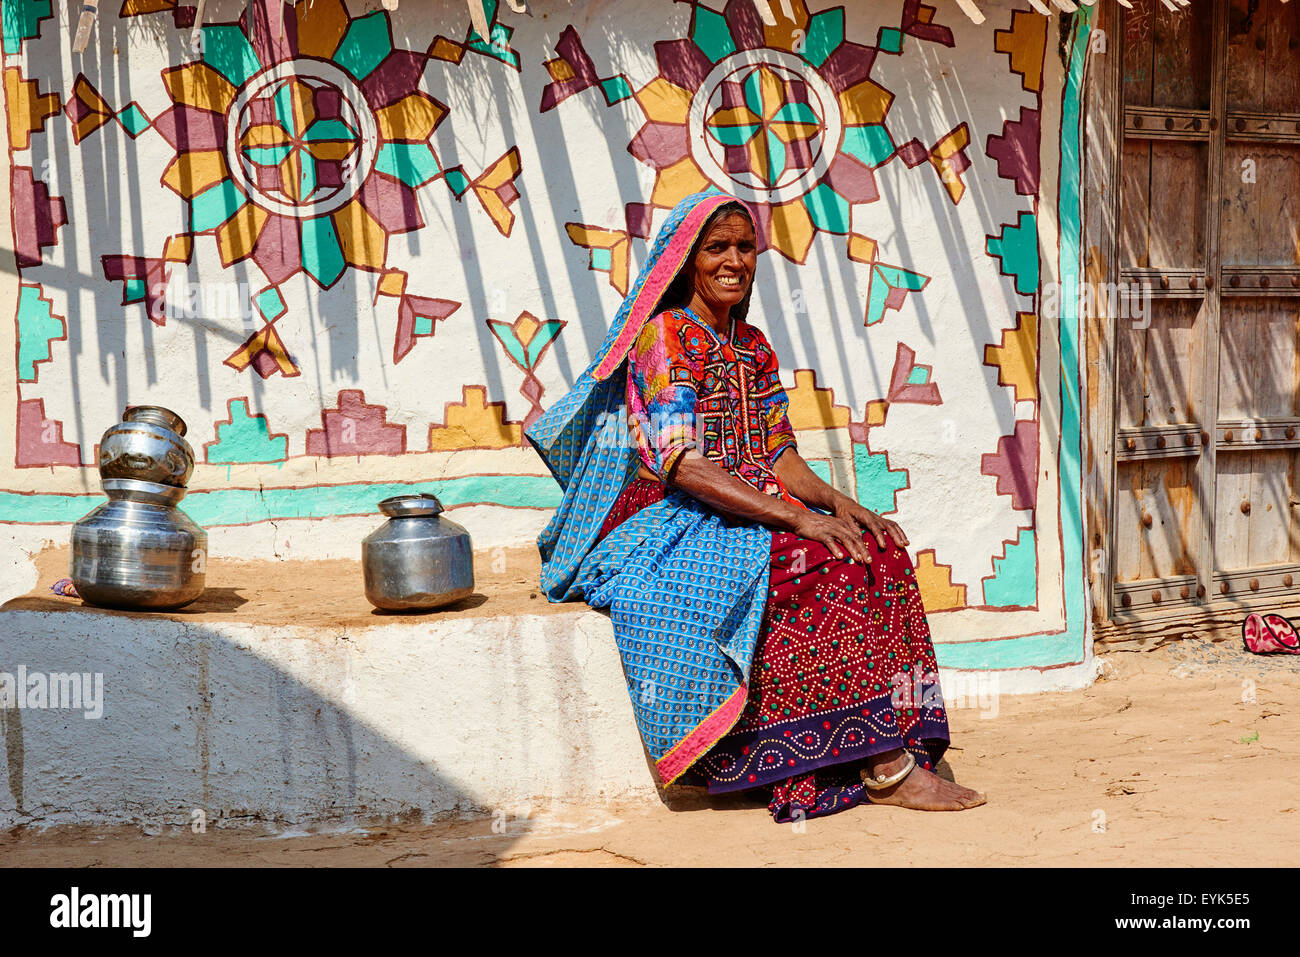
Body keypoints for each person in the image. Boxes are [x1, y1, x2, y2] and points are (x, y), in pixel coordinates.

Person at [526, 189, 984, 821]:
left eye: (746, 246)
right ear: (686, 260)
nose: (734, 260)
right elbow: (680, 464)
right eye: (717, 247)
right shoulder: (664, 340)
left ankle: (894, 742)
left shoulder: (755, 346)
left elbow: (778, 454)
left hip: (756, 499)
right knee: (818, 563)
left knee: (880, 549)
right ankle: (878, 766)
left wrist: (842, 505)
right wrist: (798, 518)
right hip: (677, 514)